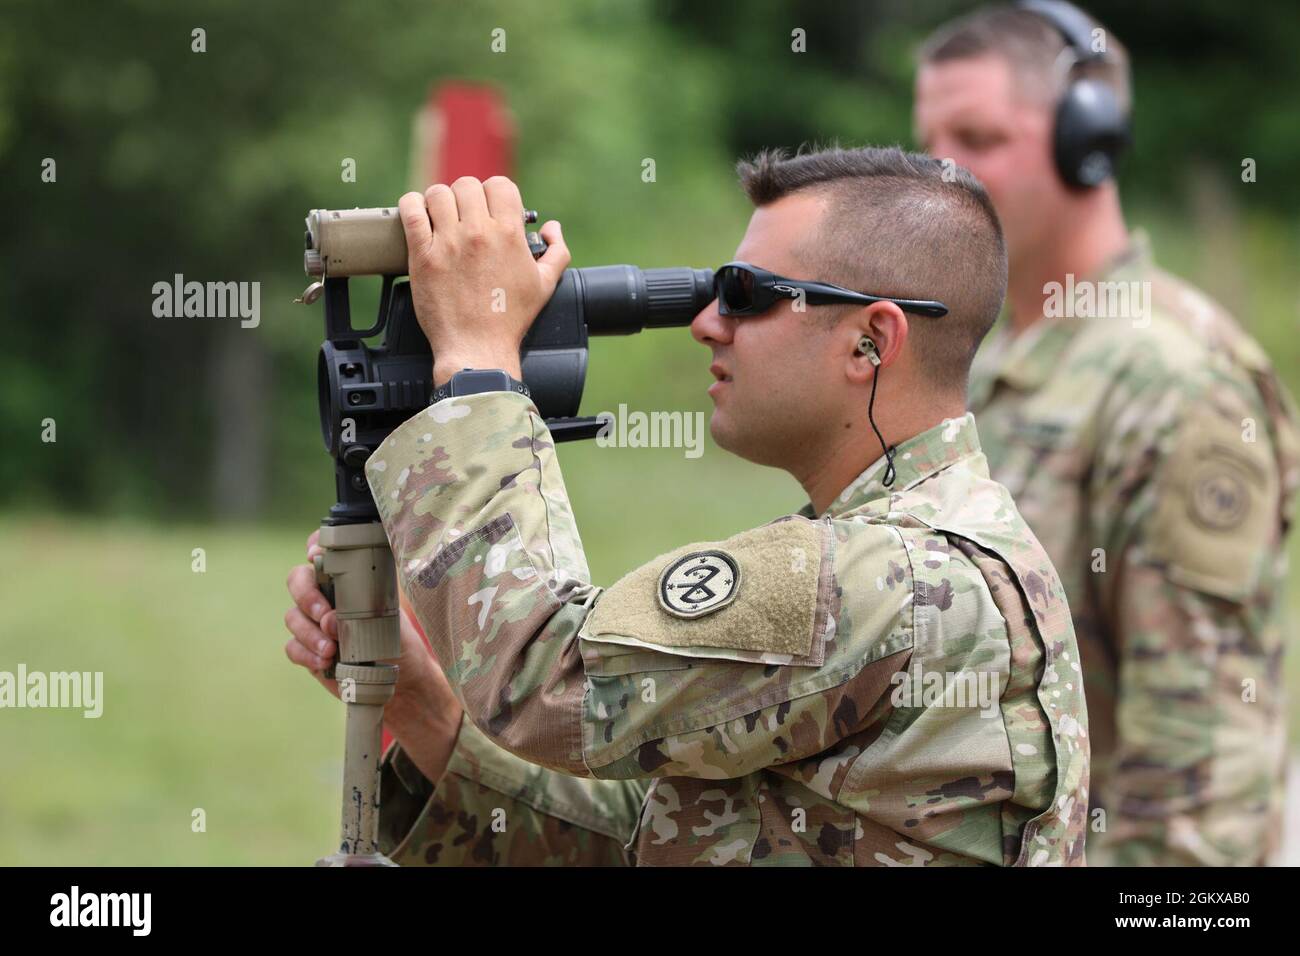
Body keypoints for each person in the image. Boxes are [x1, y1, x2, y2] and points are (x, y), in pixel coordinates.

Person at [284, 144, 1090, 866]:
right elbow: (652, 838)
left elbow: (546, 682)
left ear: (871, 342)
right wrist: (425, 708)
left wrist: (478, 368)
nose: (707, 324)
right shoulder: (924, 549)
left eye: (744, 294)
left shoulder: (889, 577)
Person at [913, 1, 1299, 865]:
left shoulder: (1172, 380)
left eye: (978, 137)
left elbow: (1200, 785)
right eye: (927, 141)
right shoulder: (988, 355)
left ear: (1089, 144)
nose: (942, 174)